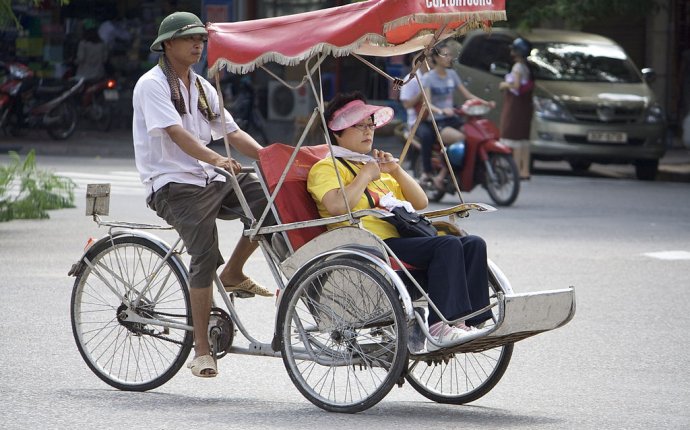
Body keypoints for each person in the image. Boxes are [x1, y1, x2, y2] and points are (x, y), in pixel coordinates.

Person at [132, 11, 273, 378]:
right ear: (167, 45)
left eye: (201, 39)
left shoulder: (202, 87)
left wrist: (272, 160)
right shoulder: (153, 84)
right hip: (172, 183)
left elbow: (232, 131)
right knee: (204, 253)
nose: (198, 44)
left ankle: (235, 272)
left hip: (210, 176)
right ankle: (202, 350)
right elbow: (176, 133)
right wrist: (216, 158)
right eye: (189, 39)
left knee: (268, 203)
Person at [307, 91, 493, 351]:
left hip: (400, 239)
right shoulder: (326, 168)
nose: (368, 132)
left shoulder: (373, 165)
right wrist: (364, 176)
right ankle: (440, 324)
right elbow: (337, 206)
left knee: (472, 243)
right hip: (366, 242)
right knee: (447, 245)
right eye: (359, 126)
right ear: (337, 132)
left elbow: (420, 203)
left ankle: (469, 322)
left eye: (370, 125)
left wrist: (395, 170)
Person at [418, 43, 492, 189]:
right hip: (437, 120)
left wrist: (485, 103)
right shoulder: (429, 78)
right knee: (460, 138)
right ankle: (441, 175)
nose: (448, 58)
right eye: (444, 55)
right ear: (435, 58)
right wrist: (441, 111)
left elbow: (467, 95)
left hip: (453, 118)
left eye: (449, 55)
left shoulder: (452, 74)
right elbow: (427, 104)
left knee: (473, 135)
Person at [498, 37, 534, 179]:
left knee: (514, 136)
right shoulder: (526, 66)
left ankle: (517, 170)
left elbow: (516, 86)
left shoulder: (517, 67)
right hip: (524, 105)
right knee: (523, 139)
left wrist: (504, 85)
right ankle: (525, 169)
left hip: (515, 105)